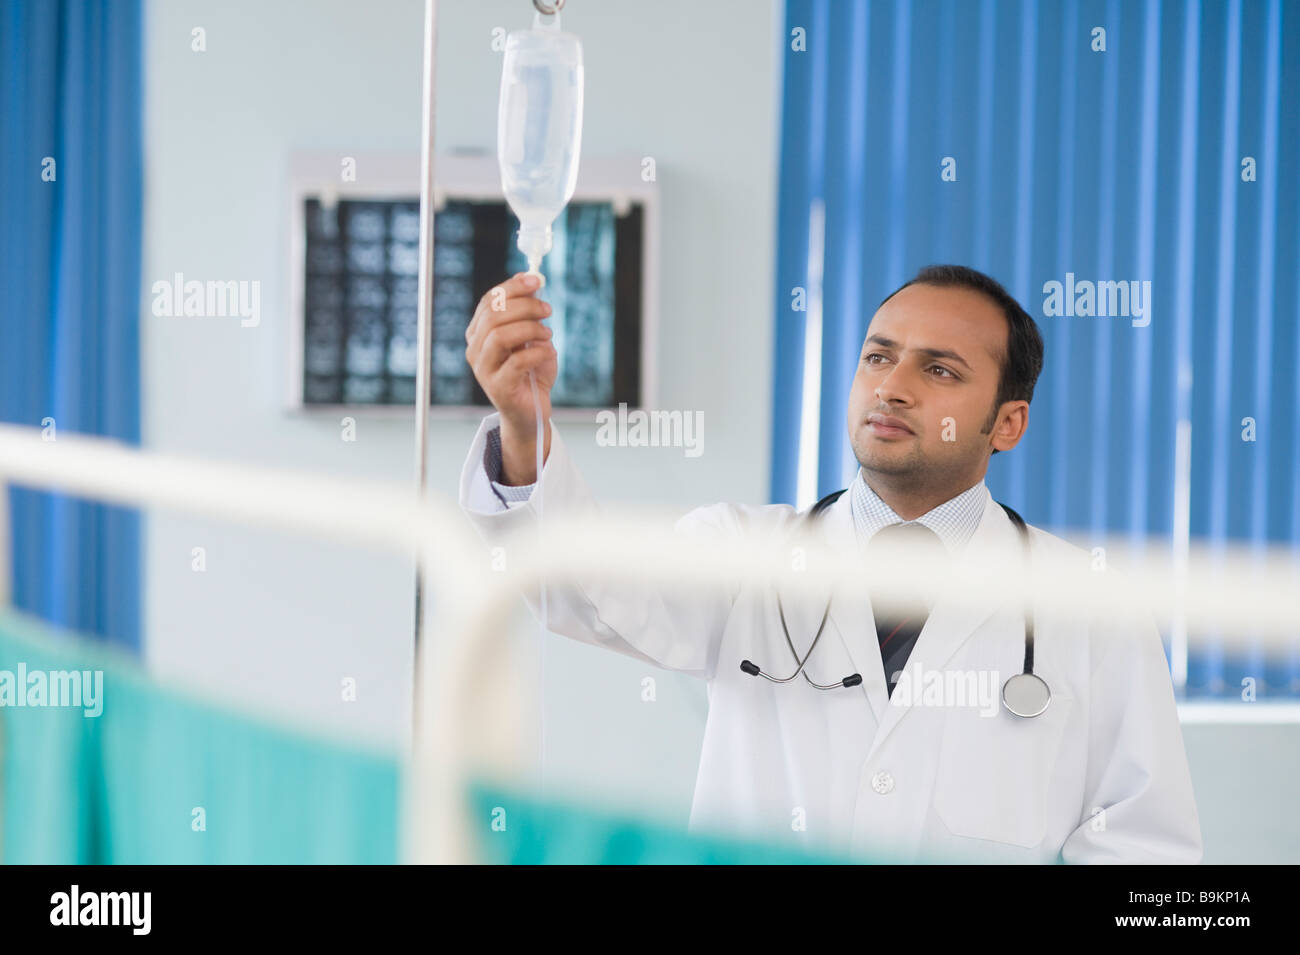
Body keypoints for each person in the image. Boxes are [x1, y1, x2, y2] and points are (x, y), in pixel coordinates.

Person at [459, 263, 1202, 863]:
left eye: (939, 370)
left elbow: (1144, 849)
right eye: (878, 355)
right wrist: (525, 431)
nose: (893, 385)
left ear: (1006, 422)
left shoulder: (1092, 610)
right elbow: (579, 589)